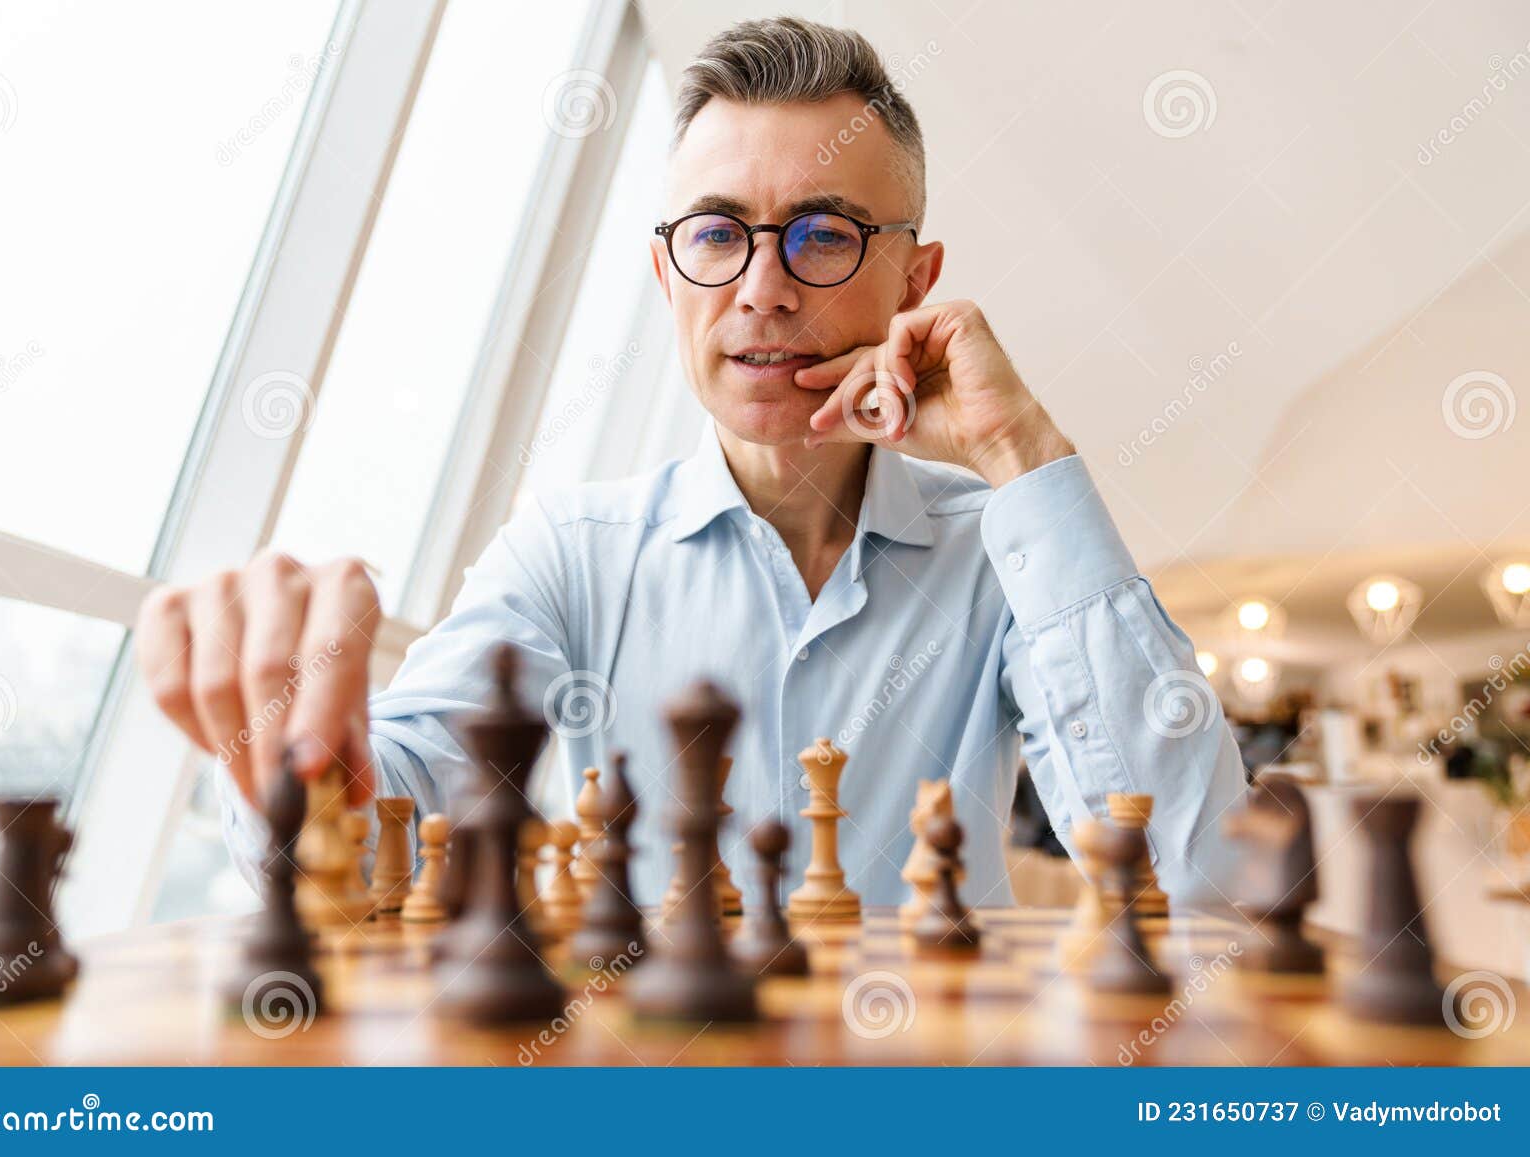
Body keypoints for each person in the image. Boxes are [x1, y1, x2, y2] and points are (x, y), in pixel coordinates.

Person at [135, 17, 1245, 906]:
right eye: (716, 234)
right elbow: (380, 844)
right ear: (667, 277)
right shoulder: (569, 554)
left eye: (823, 234)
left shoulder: (1004, 552)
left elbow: (1193, 878)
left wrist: (1021, 450)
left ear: (915, 281)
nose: (762, 289)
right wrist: (304, 761)